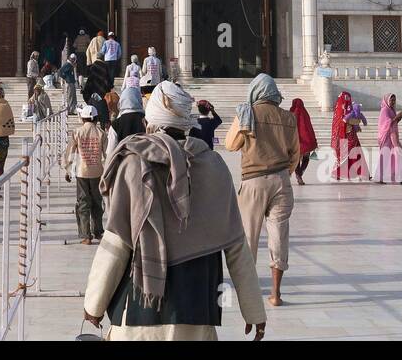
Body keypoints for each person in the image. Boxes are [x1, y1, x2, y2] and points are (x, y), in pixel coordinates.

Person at [81, 80, 267, 341]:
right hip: (196, 316)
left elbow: (117, 242)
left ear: (151, 120)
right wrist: (254, 312)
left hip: (137, 314)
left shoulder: (134, 164)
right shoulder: (213, 166)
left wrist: (94, 305)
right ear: (186, 122)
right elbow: (237, 247)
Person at [230, 74, 299, 307]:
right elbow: (295, 154)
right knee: (279, 237)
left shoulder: (246, 113)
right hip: (281, 181)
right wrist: (283, 174)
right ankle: (276, 294)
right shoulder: (288, 117)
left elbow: (230, 145)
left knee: (248, 237)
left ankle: (248, 293)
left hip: (253, 181)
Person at [64, 105, 108, 244]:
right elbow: (107, 154)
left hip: (82, 172)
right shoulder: (101, 133)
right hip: (97, 172)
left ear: (82, 118)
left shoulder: (77, 132)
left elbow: (70, 152)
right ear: (95, 119)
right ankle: (98, 231)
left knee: (83, 203)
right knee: (97, 202)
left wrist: (68, 169)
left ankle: (85, 235)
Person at [374, 94, 402, 184]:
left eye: (394, 100)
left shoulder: (392, 110)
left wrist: (399, 117)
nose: (393, 102)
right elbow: (385, 123)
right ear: (386, 100)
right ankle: (379, 178)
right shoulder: (384, 110)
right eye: (391, 100)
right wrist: (397, 116)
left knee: (398, 154)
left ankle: (400, 176)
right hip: (386, 137)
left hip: (393, 136)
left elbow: (394, 122)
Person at [291, 98, 318, 185]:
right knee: (306, 158)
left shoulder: (291, 113)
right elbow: (309, 128)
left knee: (296, 160)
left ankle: (298, 175)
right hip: (306, 140)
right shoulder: (305, 113)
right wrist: (313, 140)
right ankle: (301, 173)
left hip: (295, 141)